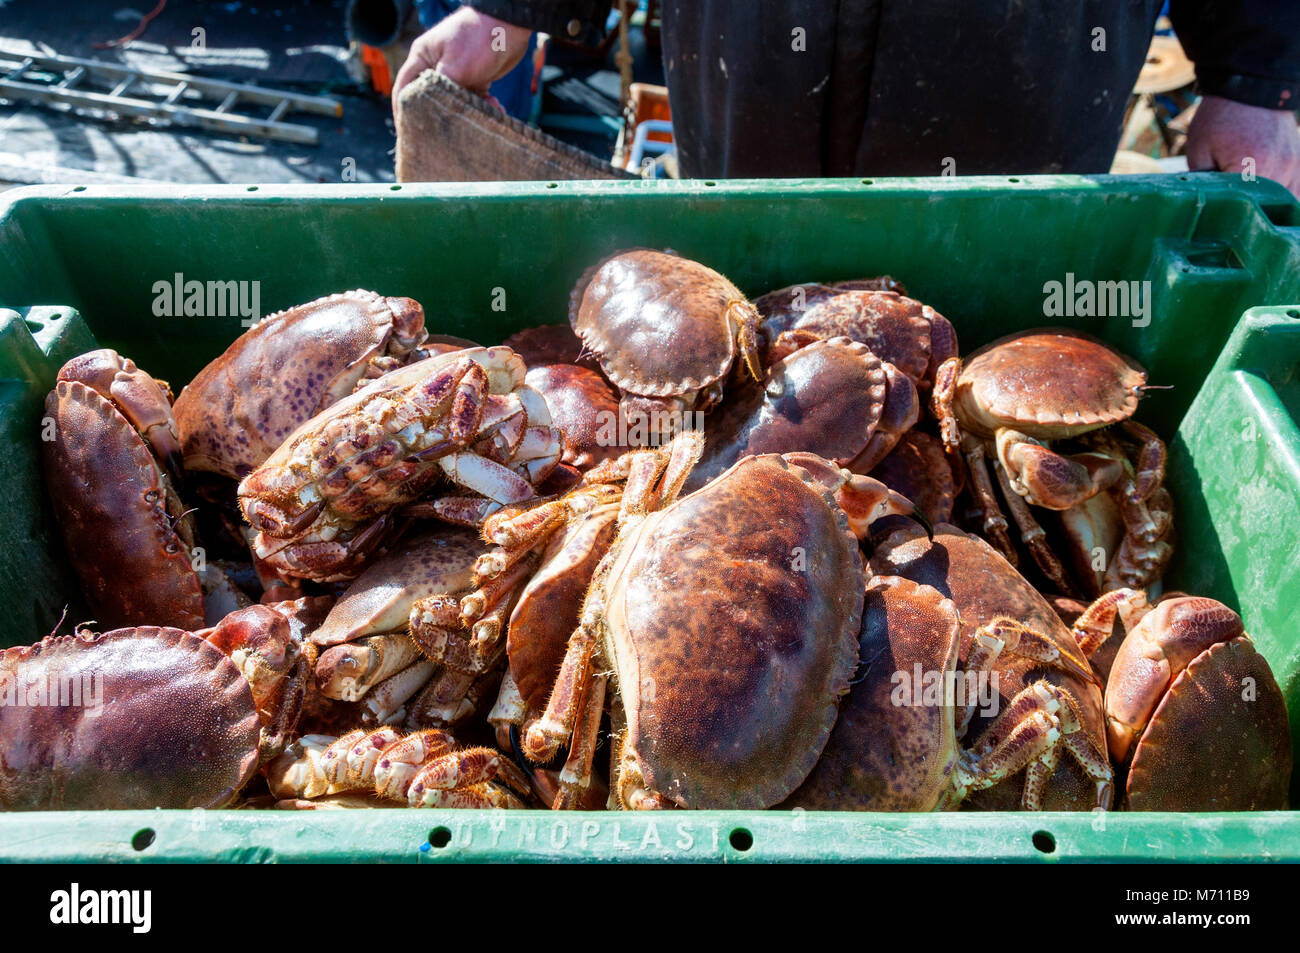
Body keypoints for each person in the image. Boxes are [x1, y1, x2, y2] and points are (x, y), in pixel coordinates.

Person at [392, 1, 1300, 195]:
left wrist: (1257, 74)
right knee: (741, 320)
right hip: (753, 57)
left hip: (1028, 55)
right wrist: (515, 9)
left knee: (1002, 325)